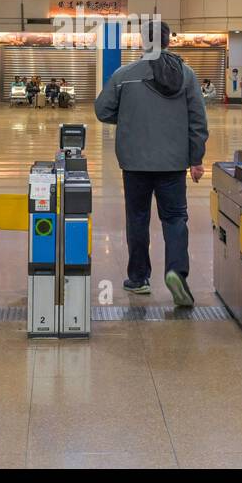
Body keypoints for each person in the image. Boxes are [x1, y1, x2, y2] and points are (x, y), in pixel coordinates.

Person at [95, 19, 209, 306]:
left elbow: (102, 110)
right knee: (174, 219)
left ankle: (138, 279)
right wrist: (196, 159)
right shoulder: (187, 75)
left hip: (134, 163)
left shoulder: (125, 74)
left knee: (137, 218)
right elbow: (197, 120)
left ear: (143, 42)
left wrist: (128, 117)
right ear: (168, 41)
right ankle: (176, 272)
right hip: (173, 164)